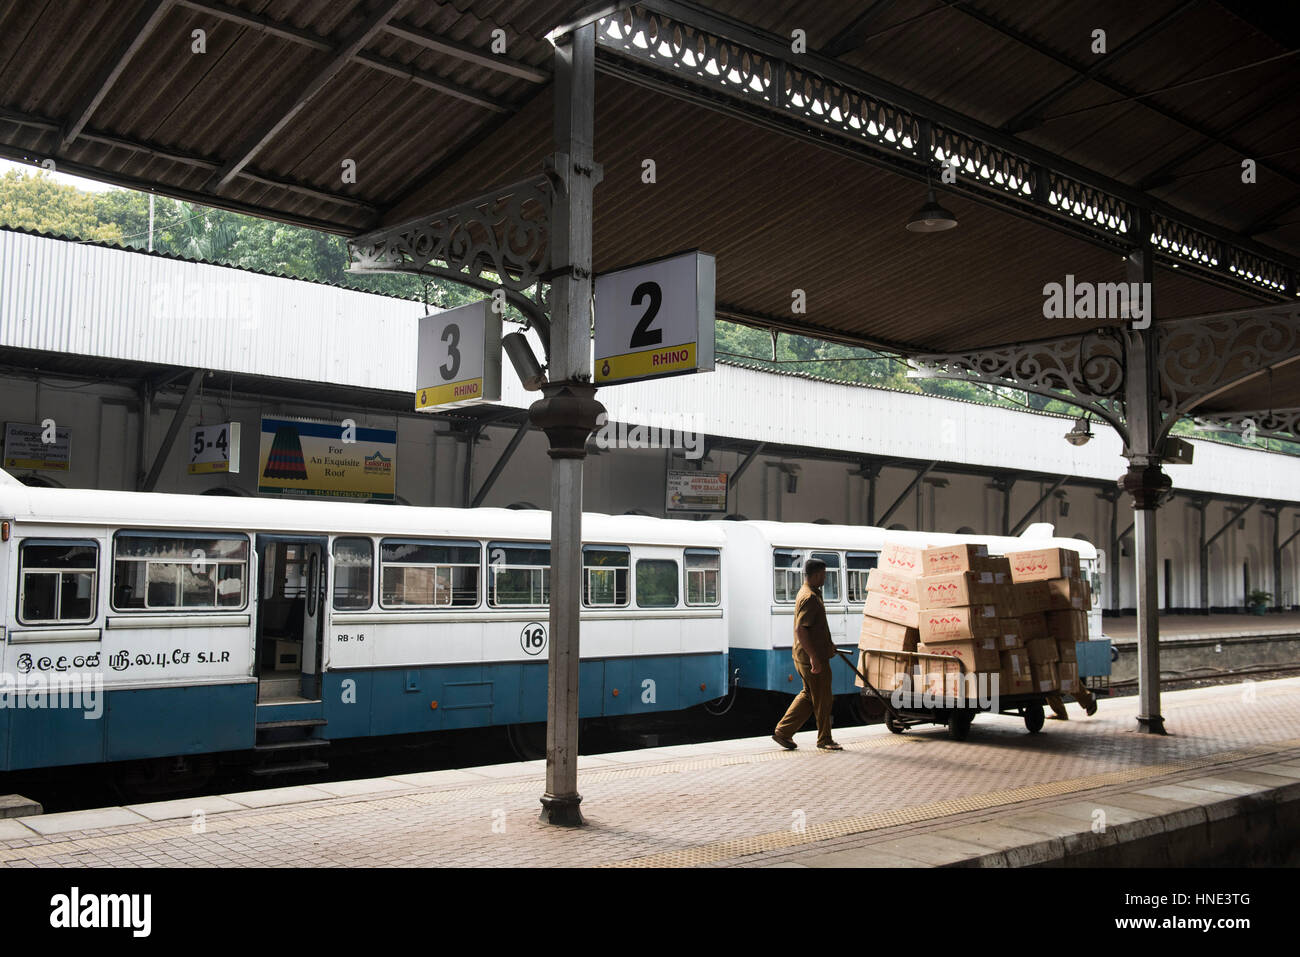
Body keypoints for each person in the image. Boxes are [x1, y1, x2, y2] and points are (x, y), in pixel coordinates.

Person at [773, 557, 842, 751]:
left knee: (809, 695)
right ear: (818, 574)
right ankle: (825, 739)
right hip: (812, 658)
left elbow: (814, 628)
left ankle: (783, 732)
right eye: (824, 575)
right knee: (823, 699)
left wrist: (828, 645)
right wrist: (814, 657)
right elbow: (801, 629)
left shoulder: (807, 593)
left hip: (807, 655)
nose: (825, 578)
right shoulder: (810, 597)